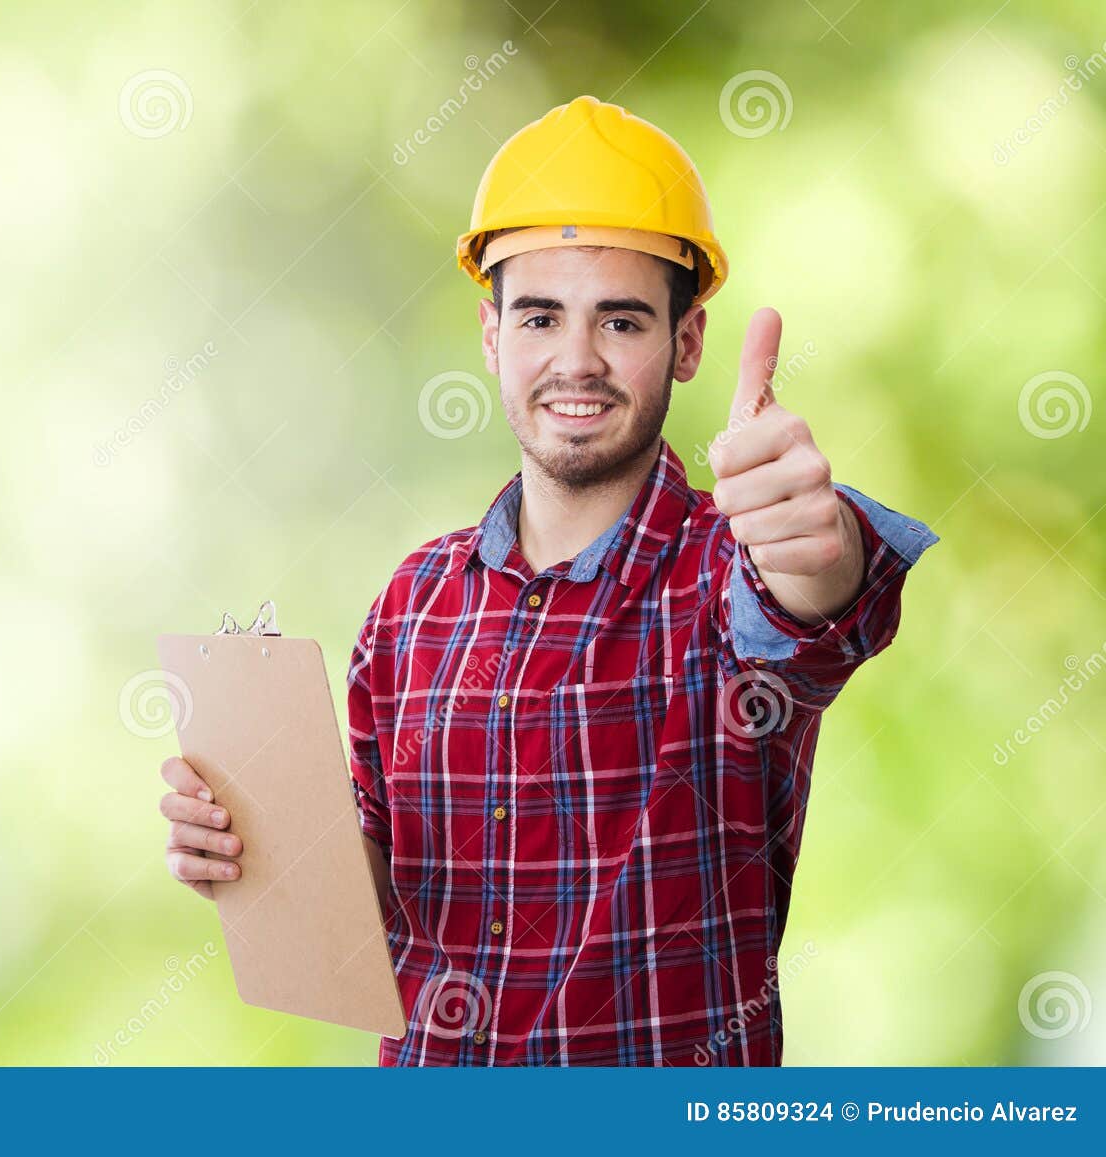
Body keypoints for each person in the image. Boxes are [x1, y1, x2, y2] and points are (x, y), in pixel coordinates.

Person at [159, 95, 938, 1065]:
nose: (577, 360)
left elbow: (816, 603)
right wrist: (250, 845)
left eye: (620, 320)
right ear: (491, 338)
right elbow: (368, 903)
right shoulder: (414, 603)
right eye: (539, 316)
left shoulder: (723, 575)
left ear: (686, 342)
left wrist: (818, 546)